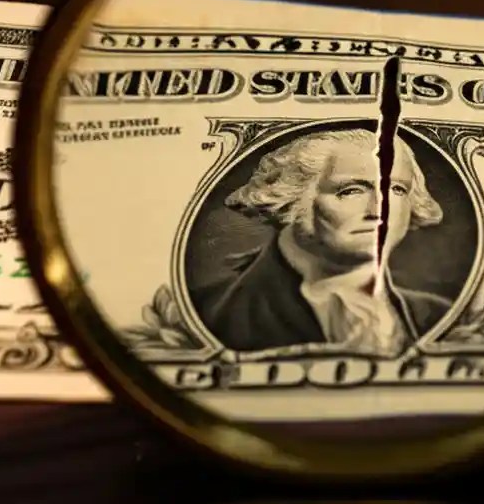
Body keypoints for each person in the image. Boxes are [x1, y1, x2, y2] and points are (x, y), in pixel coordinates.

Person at [190, 127, 452, 356]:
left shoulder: (441, 316)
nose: (379, 210)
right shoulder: (207, 314)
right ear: (291, 196)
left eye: (397, 189)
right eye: (351, 191)